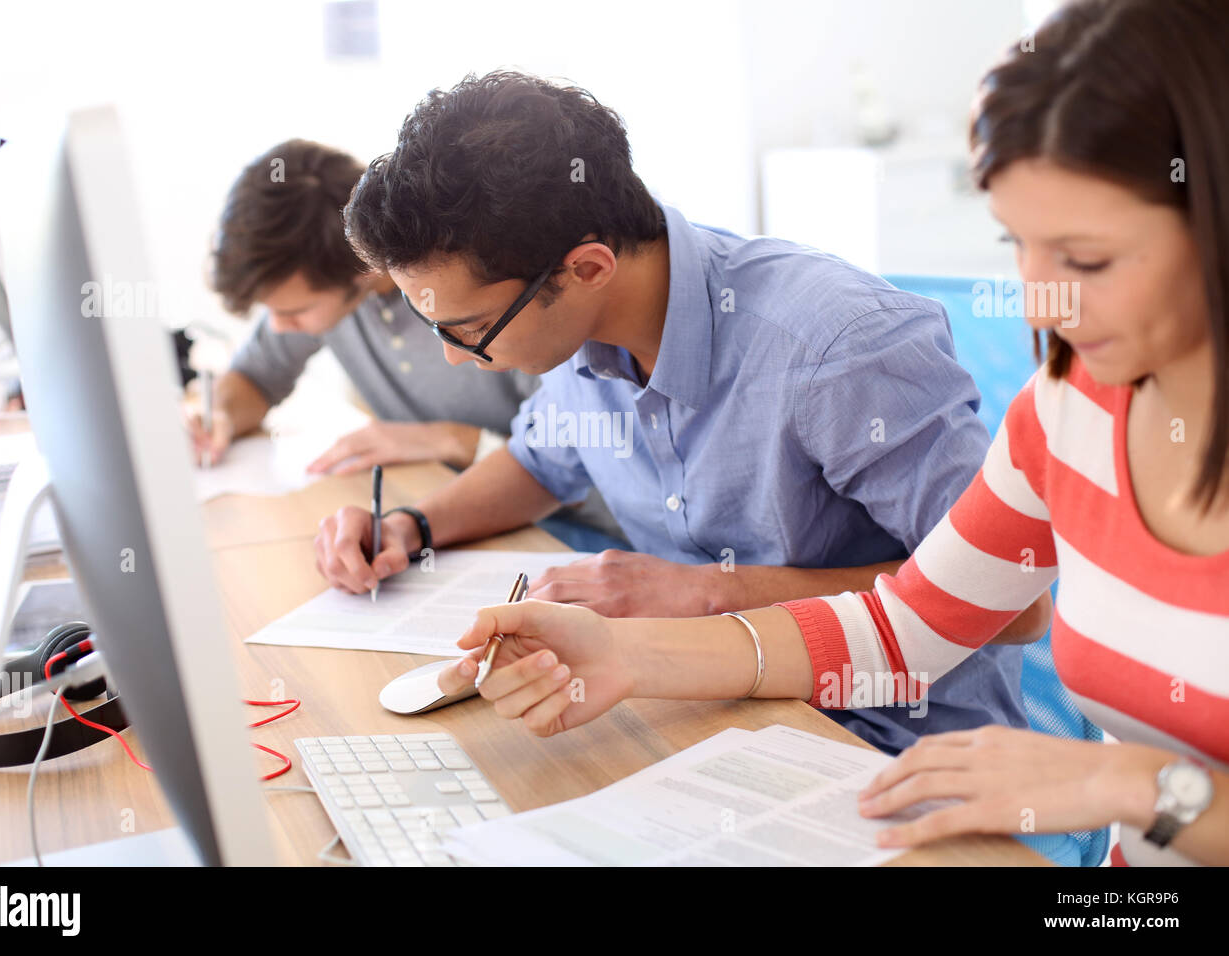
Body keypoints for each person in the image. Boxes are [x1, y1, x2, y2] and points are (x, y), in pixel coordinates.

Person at [433, 0, 1229, 866]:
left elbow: (1095, 736)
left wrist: (1128, 787)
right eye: (1017, 246)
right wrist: (622, 653)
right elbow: (906, 629)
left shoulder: (835, 337)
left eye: (1087, 260)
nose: (1040, 303)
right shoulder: (1069, 411)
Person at [315, 71, 1052, 756]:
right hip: (700, 713)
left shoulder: (837, 346)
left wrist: (706, 593)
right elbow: (539, 463)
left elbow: (1015, 609)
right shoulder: (574, 334)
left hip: (890, 742)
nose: (453, 357)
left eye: (469, 328)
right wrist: (410, 528)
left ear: (589, 268)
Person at [190, 138, 626, 549]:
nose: (280, 327)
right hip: (449, 507)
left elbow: (576, 472)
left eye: (294, 312)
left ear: (361, 267)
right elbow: (255, 375)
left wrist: (454, 440)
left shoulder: (481, 296)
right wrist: (219, 414)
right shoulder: (319, 292)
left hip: (570, 525)